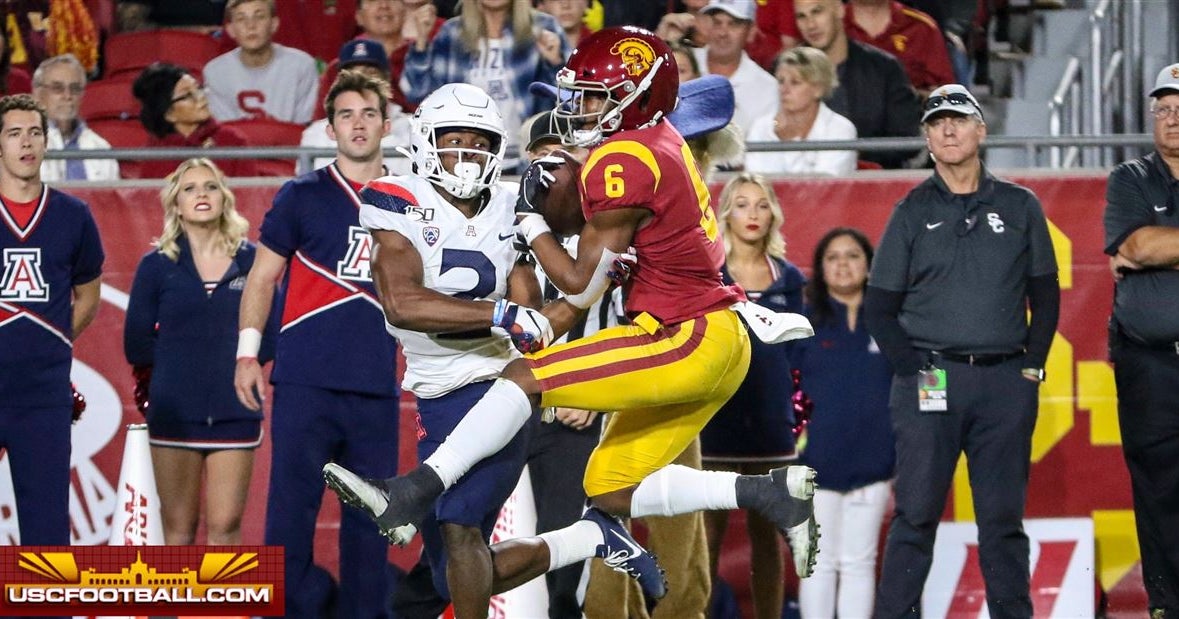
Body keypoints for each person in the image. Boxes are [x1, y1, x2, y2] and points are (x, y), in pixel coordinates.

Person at [324, 26, 819, 613]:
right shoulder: (642, 145)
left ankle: (411, 490)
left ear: (632, 100)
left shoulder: (622, 160)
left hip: (676, 337)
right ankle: (762, 493)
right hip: (684, 339)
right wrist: (539, 276)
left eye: (591, 96)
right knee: (605, 491)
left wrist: (532, 224)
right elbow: (420, 302)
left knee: (519, 388)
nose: (576, 111)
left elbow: (576, 282)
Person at [864, 83, 1060, 617]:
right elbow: (879, 307)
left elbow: (1045, 296)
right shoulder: (910, 211)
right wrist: (915, 370)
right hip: (933, 376)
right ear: (926, 138)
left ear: (981, 129)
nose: (947, 129)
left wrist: (1032, 369)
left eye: (958, 119)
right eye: (936, 122)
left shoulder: (1021, 206)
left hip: (1004, 383)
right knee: (917, 515)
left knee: (1001, 520)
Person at [232, 70, 401, 618]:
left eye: (368, 114)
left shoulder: (412, 198)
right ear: (328, 129)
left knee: (372, 522)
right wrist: (247, 355)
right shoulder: (301, 195)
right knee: (289, 517)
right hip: (305, 382)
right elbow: (261, 279)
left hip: (375, 387)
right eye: (347, 115)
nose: (358, 124)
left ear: (386, 123)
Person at [123, 158, 269, 546]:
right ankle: (179, 609)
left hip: (235, 410)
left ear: (225, 198)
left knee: (225, 527)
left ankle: (221, 610)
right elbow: (136, 342)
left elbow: (270, 333)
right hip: (174, 413)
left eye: (210, 186)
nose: (201, 194)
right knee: (178, 530)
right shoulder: (155, 266)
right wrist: (176, 378)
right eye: (189, 188)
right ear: (175, 203)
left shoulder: (251, 261)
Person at [700, 173, 806, 619]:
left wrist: (794, 413)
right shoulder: (707, 273)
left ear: (773, 215)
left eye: (762, 206)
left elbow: (800, 354)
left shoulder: (790, 278)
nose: (753, 215)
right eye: (742, 205)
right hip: (716, 419)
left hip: (769, 422)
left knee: (767, 535)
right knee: (706, 538)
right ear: (726, 214)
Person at [0, 93, 103, 545]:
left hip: (43, 395)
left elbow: (90, 294)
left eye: (35, 133)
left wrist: (54, 339)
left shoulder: (73, 216)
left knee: (46, 533)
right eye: (14, 133)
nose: (27, 143)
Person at [1103, 62, 1179, 618]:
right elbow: (1134, 246)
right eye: (1163, 109)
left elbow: (1149, 249)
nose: (1171, 118)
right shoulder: (1130, 178)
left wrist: (1156, 247)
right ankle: (1167, 606)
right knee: (1157, 490)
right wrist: (1141, 248)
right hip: (1150, 362)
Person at [791, 227, 893, 618]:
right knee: (818, 563)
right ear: (820, 268)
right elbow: (787, 390)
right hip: (815, 464)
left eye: (852, 255)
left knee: (859, 563)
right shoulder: (802, 322)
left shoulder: (889, 321)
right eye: (832, 258)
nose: (843, 265)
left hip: (875, 465)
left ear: (869, 265)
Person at [400, 0, 569, 171]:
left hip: (529, 158)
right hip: (465, 158)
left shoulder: (543, 27)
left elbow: (571, 100)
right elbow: (417, 93)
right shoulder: (452, 33)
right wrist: (421, 42)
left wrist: (555, 63)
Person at [794, 0, 920, 169]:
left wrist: (850, 154)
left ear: (839, 10)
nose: (810, 24)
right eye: (801, 16)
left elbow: (906, 140)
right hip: (803, 185)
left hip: (874, 184)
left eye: (817, 12)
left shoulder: (885, 69)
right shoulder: (786, 72)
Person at [299, 41, 411, 174]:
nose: (363, 81)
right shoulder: (316, 133)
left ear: (386, 78)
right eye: (353, 74)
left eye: (371, 73)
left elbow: (412, 182)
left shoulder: (413, 127)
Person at [744, 47, 857, 176]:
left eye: (795, 82)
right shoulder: (761, 127)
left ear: (818, 89)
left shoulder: (840, 129)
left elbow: (824, 186)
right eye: (781, 81)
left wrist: (790, 142)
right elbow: (756, 184)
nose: (784, 89)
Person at [131, 63, 257, 178]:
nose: (200, 97)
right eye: (187, 95)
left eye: (199, 88)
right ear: (169, 114)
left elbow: (251, 197)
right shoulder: (155, 153)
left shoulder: (233, 141)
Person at [203, 0, 319, 124]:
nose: (251, 26)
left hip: (292, 142)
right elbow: (224, 132)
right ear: (230, 30)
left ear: (274, 24)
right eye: (241, 19)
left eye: (259, 17)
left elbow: (306, 127)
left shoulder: (302, 66)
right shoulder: (215, 72)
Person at [689, 0, 777, 136]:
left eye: (733, 24)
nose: (722, 33)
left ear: (751, 31)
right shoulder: (682, 65)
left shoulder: (768, 88)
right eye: (717, 23)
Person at [32, 54, 120, 182]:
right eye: (58, 88)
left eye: (74, 89)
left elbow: (111, 200)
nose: (67, 96)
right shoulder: (22, 144)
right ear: (38, 94)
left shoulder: (100, 147)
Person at [844, 0, 954, 98]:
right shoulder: (833, 26)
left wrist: (914, 96)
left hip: (913, 115)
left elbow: (947, 94)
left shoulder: (922, 27)